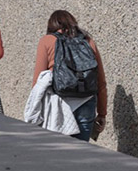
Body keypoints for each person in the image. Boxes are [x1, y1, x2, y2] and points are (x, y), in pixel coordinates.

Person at [32, 10, 107, 141]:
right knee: (80, 152)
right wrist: (102, 113)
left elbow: (38, 81)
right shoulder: (88, 41)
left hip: (58, 106)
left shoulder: (47, 41)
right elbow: (100, 82)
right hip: (86, 103)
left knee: (59, 153)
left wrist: (36, 110)